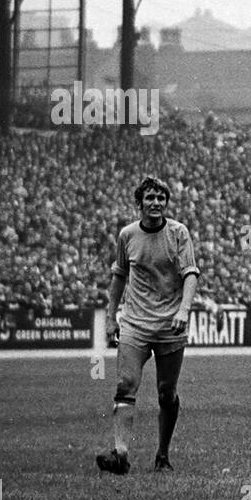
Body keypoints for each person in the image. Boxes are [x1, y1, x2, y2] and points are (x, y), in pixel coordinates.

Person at [98, 175, 200, 474]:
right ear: (139, 203)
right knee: (125, 384)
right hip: (134, 323)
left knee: (166, 393)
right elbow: (119, 275)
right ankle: (120, 454)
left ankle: (163, 454)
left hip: (170, 323)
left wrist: (183, 310)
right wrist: (111, 316)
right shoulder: (127, 235)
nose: (155, 203)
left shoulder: (179, 232)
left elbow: (190, 274)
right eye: (150, 198)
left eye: (160, 198)